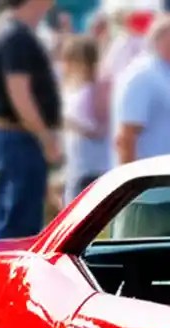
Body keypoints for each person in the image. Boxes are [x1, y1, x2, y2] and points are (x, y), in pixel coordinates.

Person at [0, 0, 63, 239]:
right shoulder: (16, 36)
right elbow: (19, 93)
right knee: (19, 224)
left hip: (15, 137)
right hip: (18, 137)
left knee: (18, 218)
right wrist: (45, 137)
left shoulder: (12, 32)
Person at [112, 14, 170, 239]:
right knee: (136, 261)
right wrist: (128, 191)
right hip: (148, 195)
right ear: (164, 39)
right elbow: (126, 137)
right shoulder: (142, 75)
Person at [59, 35, 107, 203]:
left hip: (93, 164)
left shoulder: (96, 87)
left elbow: (102, 128)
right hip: (75, 163)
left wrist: (71, 124)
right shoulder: (69, 86)